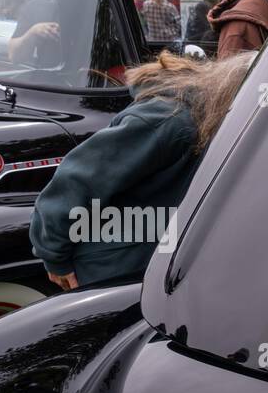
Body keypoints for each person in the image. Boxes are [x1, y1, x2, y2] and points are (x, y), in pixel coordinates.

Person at [29, 51, 255, 290]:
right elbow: (77, 180)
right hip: (112, 268)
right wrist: (54, 256)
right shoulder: (169, 122)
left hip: (149, 259)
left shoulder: (199, 119)